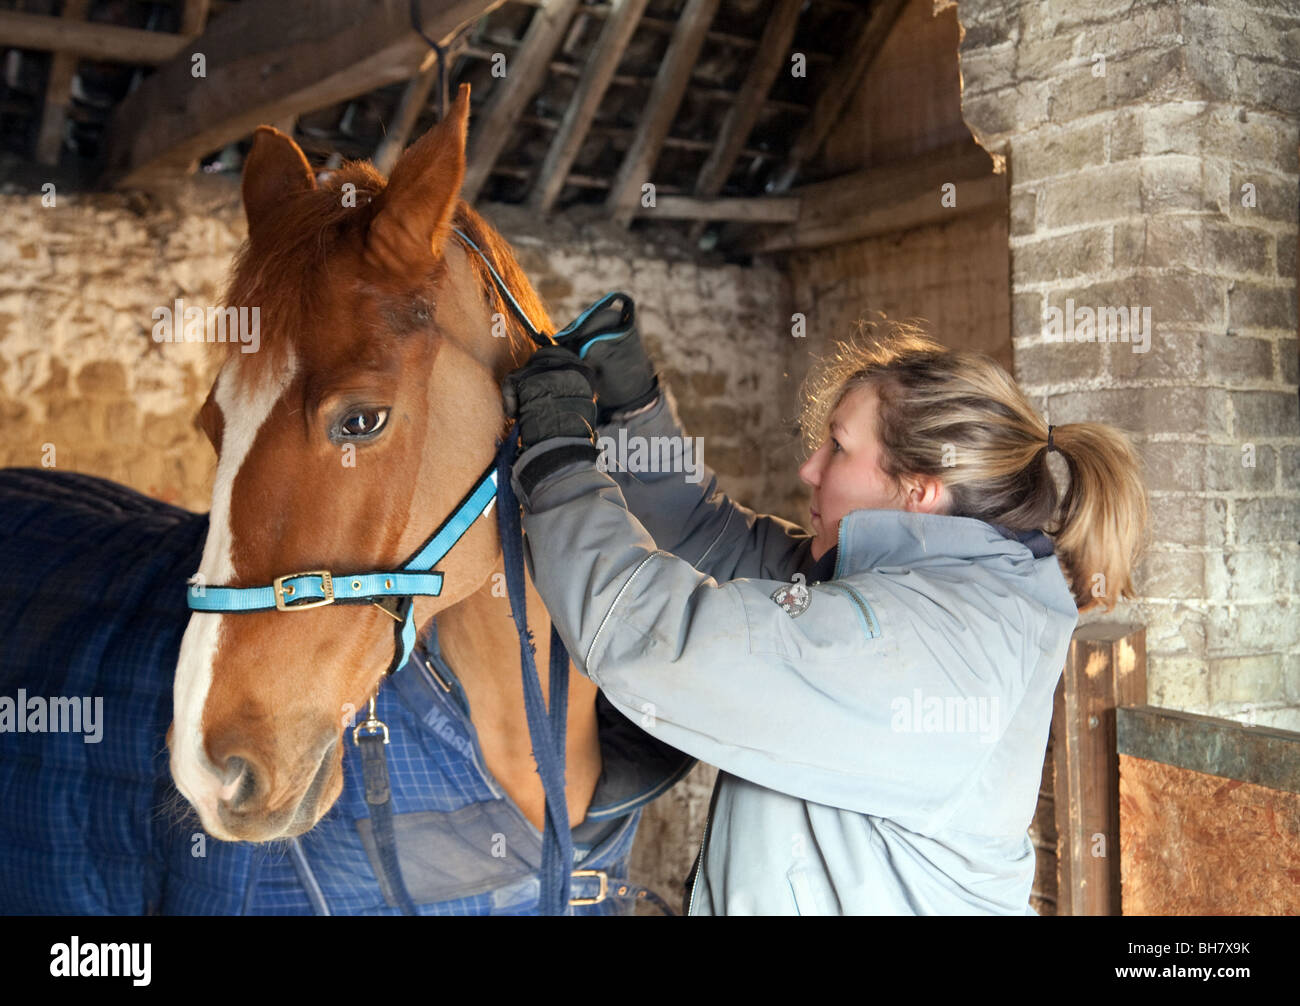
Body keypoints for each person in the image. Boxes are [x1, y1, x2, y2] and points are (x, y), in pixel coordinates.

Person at [500, 313, 1148, 915]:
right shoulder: (908, 581)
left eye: (837, 447)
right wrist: (632, 410)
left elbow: (650, 638)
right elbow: (712, 538)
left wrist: (558, 464)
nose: (810, 468)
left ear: (919, 490)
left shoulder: (927, 644)